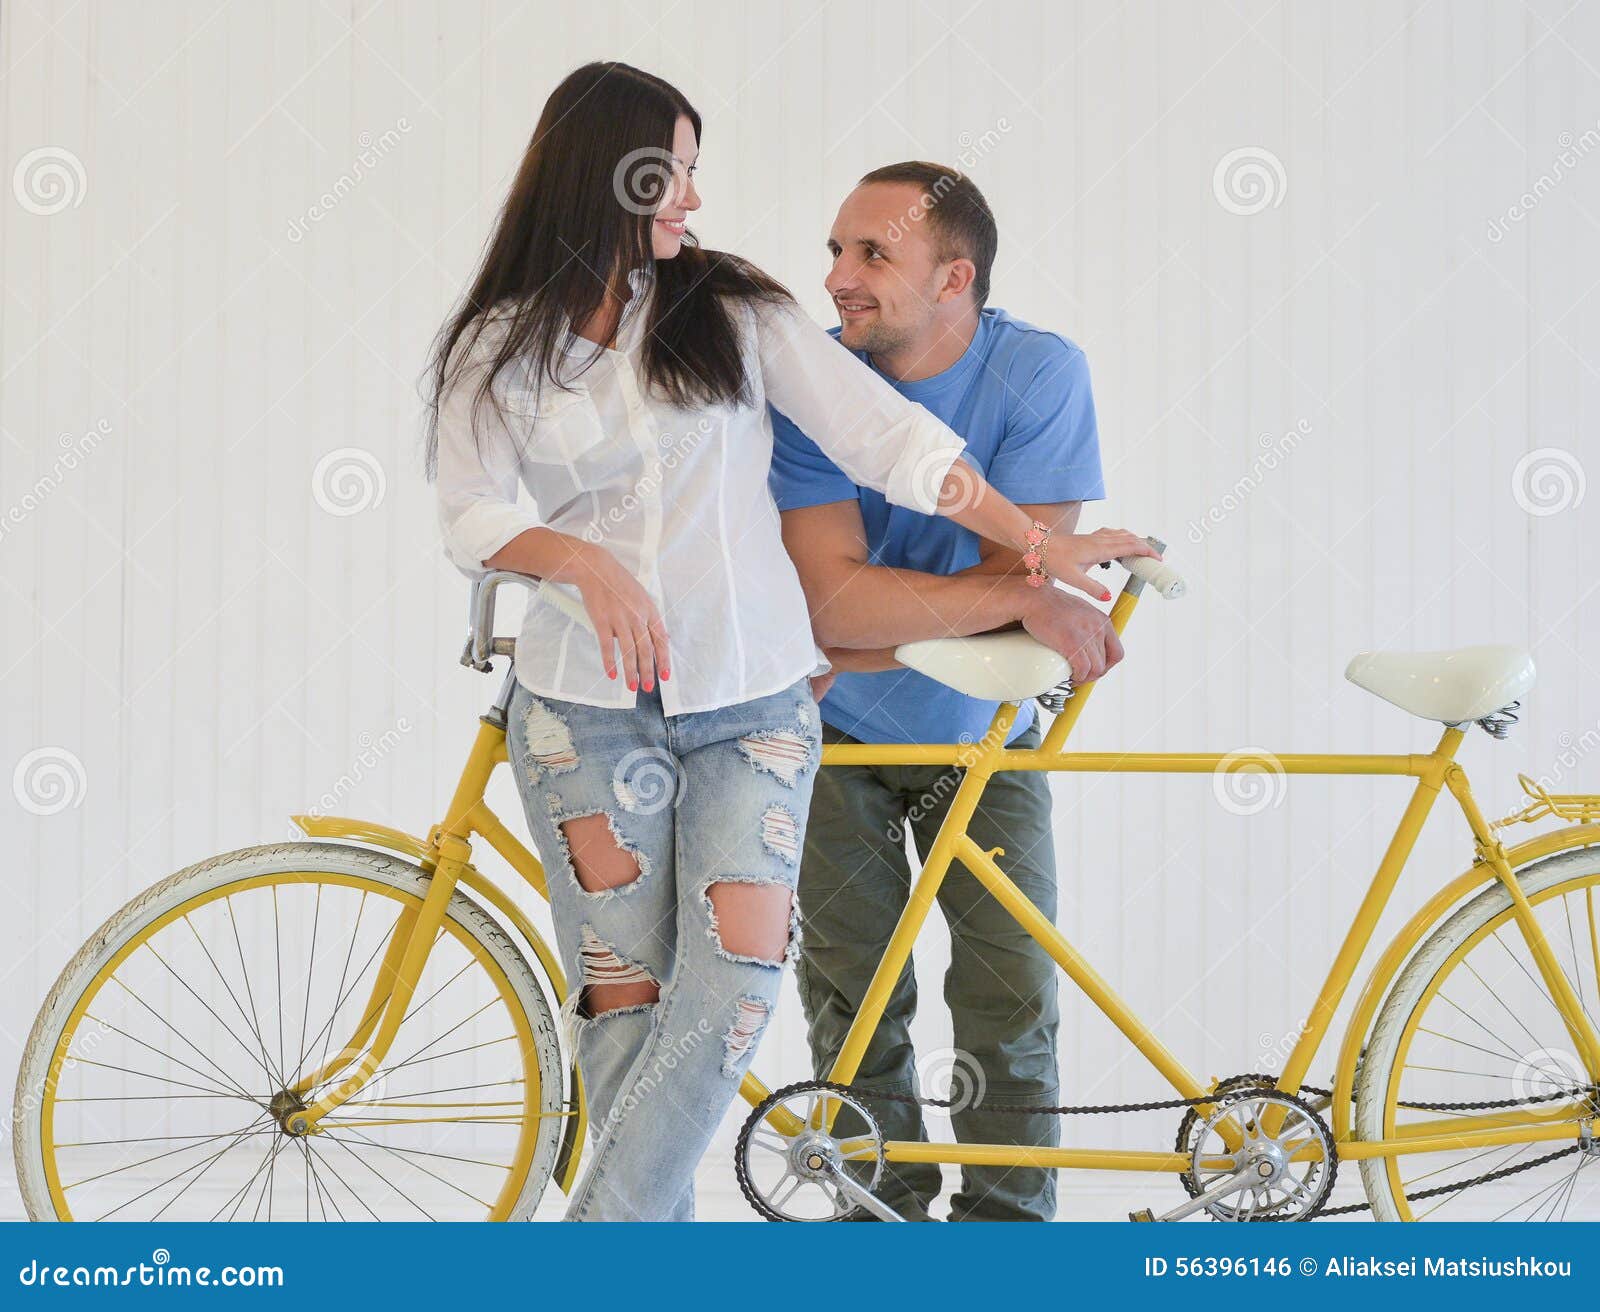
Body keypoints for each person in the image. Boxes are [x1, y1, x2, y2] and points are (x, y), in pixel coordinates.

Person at [429, 64, 1155, 1222]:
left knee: (730, 993)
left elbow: (892, 442)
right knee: (624, 1003)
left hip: (752, 706)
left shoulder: (732, 312)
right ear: (602, 172)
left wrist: (1028, 542)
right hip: (581, 709)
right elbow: (469, 513)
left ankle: (590, 1251)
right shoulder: (498, 344)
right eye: (673, 172)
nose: (693, 202)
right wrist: (575, 559)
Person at [770, 162, 1122, 1221]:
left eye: (870, 254)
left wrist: (881, 625)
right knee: (853, 1001)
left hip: (985, 732)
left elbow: (1039, 574)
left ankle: (1006, 1242)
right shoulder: (810, 389)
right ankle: (882, 1221)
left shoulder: (1039, 372)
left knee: (1008, 993)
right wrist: (992, 603)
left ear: (954, 276)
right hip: (830, 733)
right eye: (834, 249)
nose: (836, 276)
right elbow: (836, 609)